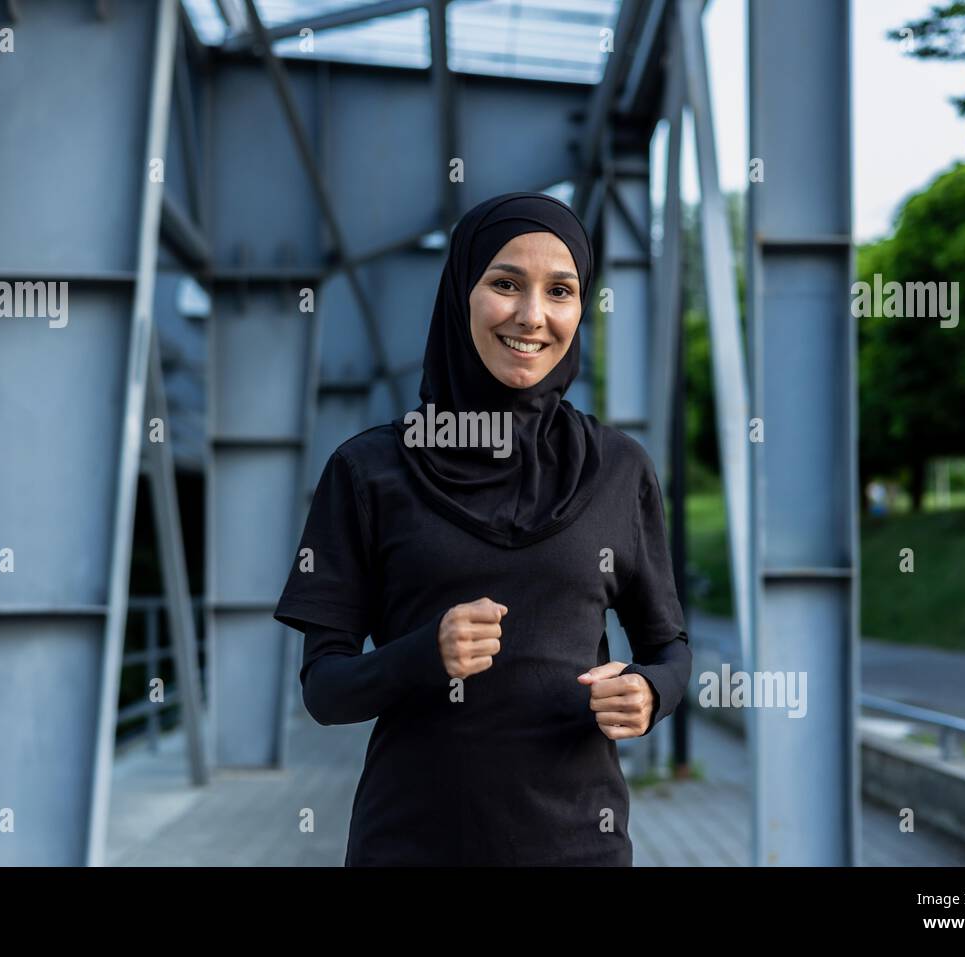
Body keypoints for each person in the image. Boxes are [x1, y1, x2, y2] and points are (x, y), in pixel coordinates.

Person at [273, 190, 692, 866]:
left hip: (580, 847)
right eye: (505, 283)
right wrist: (423, 654)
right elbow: (324, 687)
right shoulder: (367, 469)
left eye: (561, 290)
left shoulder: (619, 469)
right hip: (411, 847)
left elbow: (669, 645)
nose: (533, 315)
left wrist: (650, 690)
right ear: (460, 293)